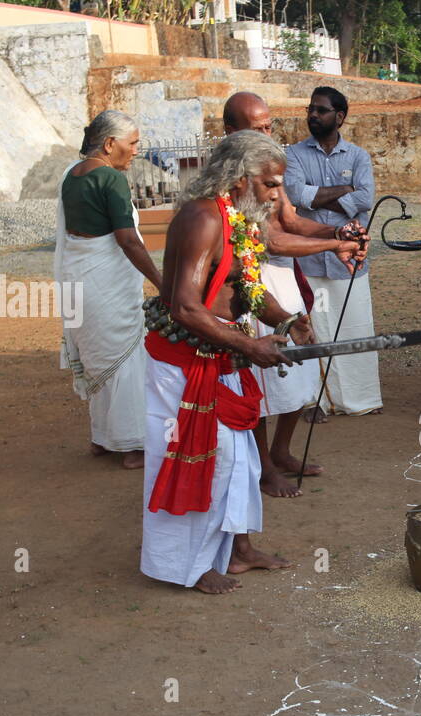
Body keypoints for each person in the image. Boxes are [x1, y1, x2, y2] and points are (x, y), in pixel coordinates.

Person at [141, 131, 313, 594]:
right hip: (185, 363)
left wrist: (289, 319)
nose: (278, 195)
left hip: (223, 355)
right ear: (240, 178)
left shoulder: (238, 219)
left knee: (239, 463)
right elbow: (185, 307)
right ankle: (186, 566)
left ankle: (238, 551)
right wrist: (251, 347)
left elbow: (247, 290)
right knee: (202, 463)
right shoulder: (203, 219)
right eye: (271, 184)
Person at [221, 92, 368, 497]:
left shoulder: (270, 164)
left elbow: (290, 220)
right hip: (251, 283)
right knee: (262, 378)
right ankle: (264, 466)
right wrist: (332, 245)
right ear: (231, 132)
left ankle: (281, 451)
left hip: (285, 280)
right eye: (256, 127)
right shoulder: (230, 176)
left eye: (269, 125)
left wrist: (338, 232)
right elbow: (273, 240)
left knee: (297, 369)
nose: (266, 134)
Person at [56, 109, 161, 470]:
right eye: (132, 144)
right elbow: (129, 240)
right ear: (110, 143)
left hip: (81, 279)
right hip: (107, 284)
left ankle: (102, 437)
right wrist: (161, 280)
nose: (135, 151)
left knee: (99, 356)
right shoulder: (111, 180)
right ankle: (131, 445)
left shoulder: (71, 174)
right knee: (126, 357)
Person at [284, 87, 381, 420]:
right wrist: (345, 191)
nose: (312, 115)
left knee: (354, 326)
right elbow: (296, 194)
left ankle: (359, 398)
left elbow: (365, 198)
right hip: (310, 258)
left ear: (339, 117)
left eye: (321, 110)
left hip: (348, 260)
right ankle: (316, 401)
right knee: (314, 327)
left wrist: (318, 197)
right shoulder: (294, 155)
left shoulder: (358, 156)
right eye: (310, 108)